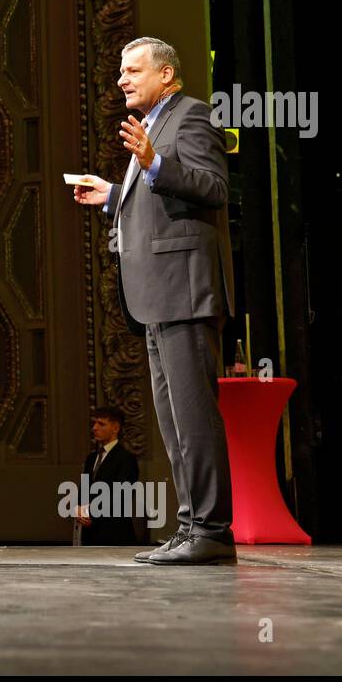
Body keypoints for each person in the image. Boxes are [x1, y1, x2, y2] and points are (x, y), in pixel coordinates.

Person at [72, 36, 237, 566]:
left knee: (194, 417)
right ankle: (190, 528)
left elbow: (213, 188)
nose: (122, 79)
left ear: (166, 74)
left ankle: (212, 530)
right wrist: (112, 196)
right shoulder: (154, 124)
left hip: (184, 289)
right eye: (121, 70)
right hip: (157, 295)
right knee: (173, 422)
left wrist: (153, 161)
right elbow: (157, 201)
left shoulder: (193, 116)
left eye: (133, 70)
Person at [74, 406, 143, 546]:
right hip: (90, 535)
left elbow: (121, 496)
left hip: (115, 535)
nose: (94, 428)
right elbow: (83, 490)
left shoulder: (126, 459)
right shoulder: (91, 458)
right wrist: (78, 509)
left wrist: (88, 510)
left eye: (101, 424)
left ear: (115, 428)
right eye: (94, 423)